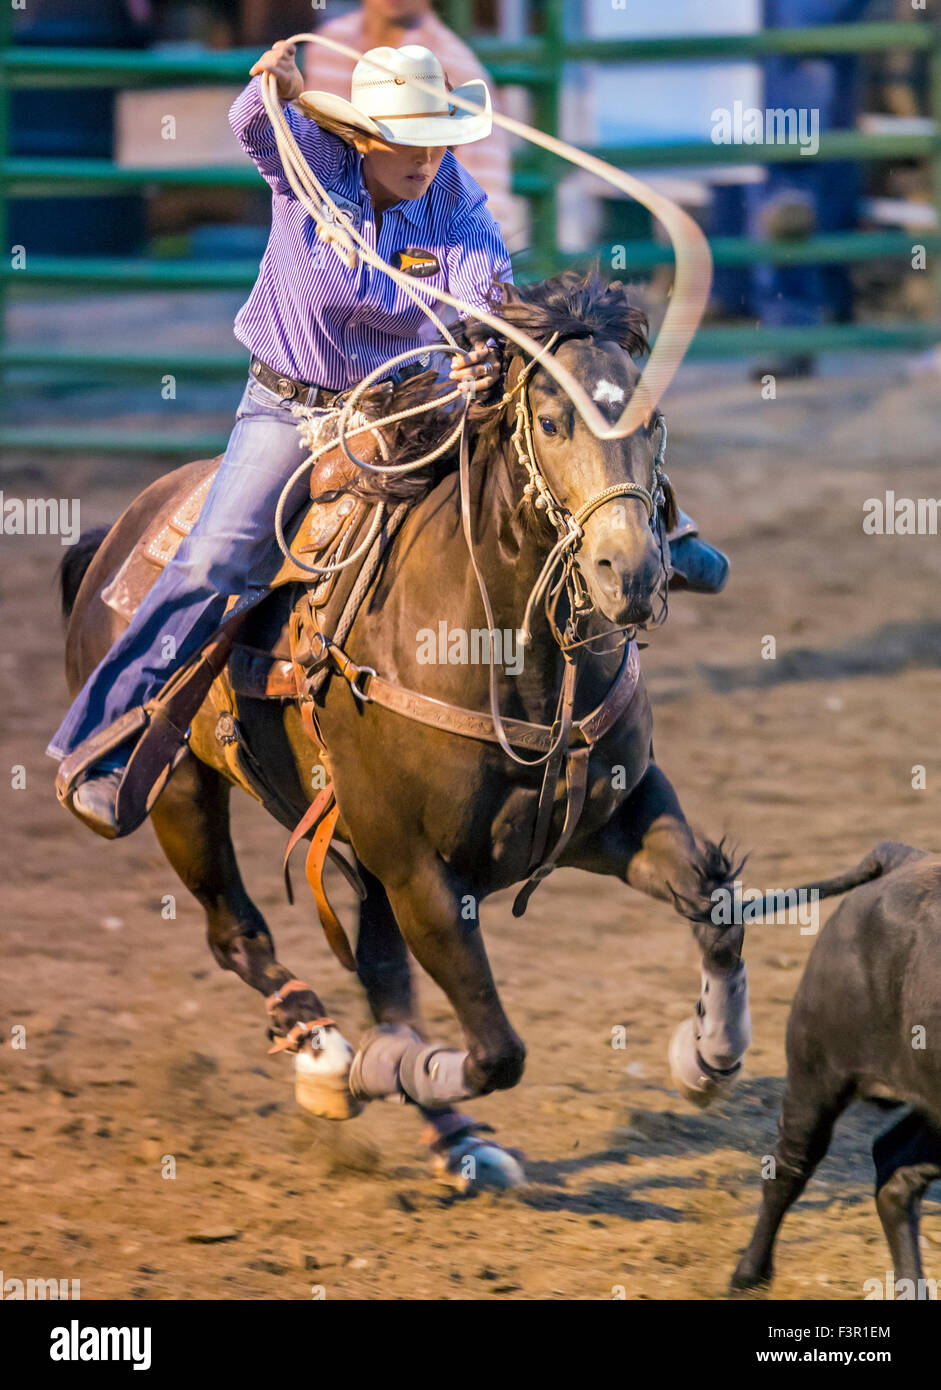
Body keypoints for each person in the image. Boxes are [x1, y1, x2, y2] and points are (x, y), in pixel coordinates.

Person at [50, 39, 511, 838]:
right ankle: (105, 741)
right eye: (408, 135)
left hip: (402, 406)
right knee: (217, 558)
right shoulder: (312, 165)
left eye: (437, 134)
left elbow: (485, 291)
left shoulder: (457, 200)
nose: (427, 153)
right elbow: (249, 121)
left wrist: (485, 348)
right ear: (364, 135)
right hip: (292, 411)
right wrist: (284, 89)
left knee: (508, 498)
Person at [303, 0, 523, 249]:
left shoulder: (456, 65)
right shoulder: (326, 47)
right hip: (325, 231)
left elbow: (486, 200)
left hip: (420, 250)